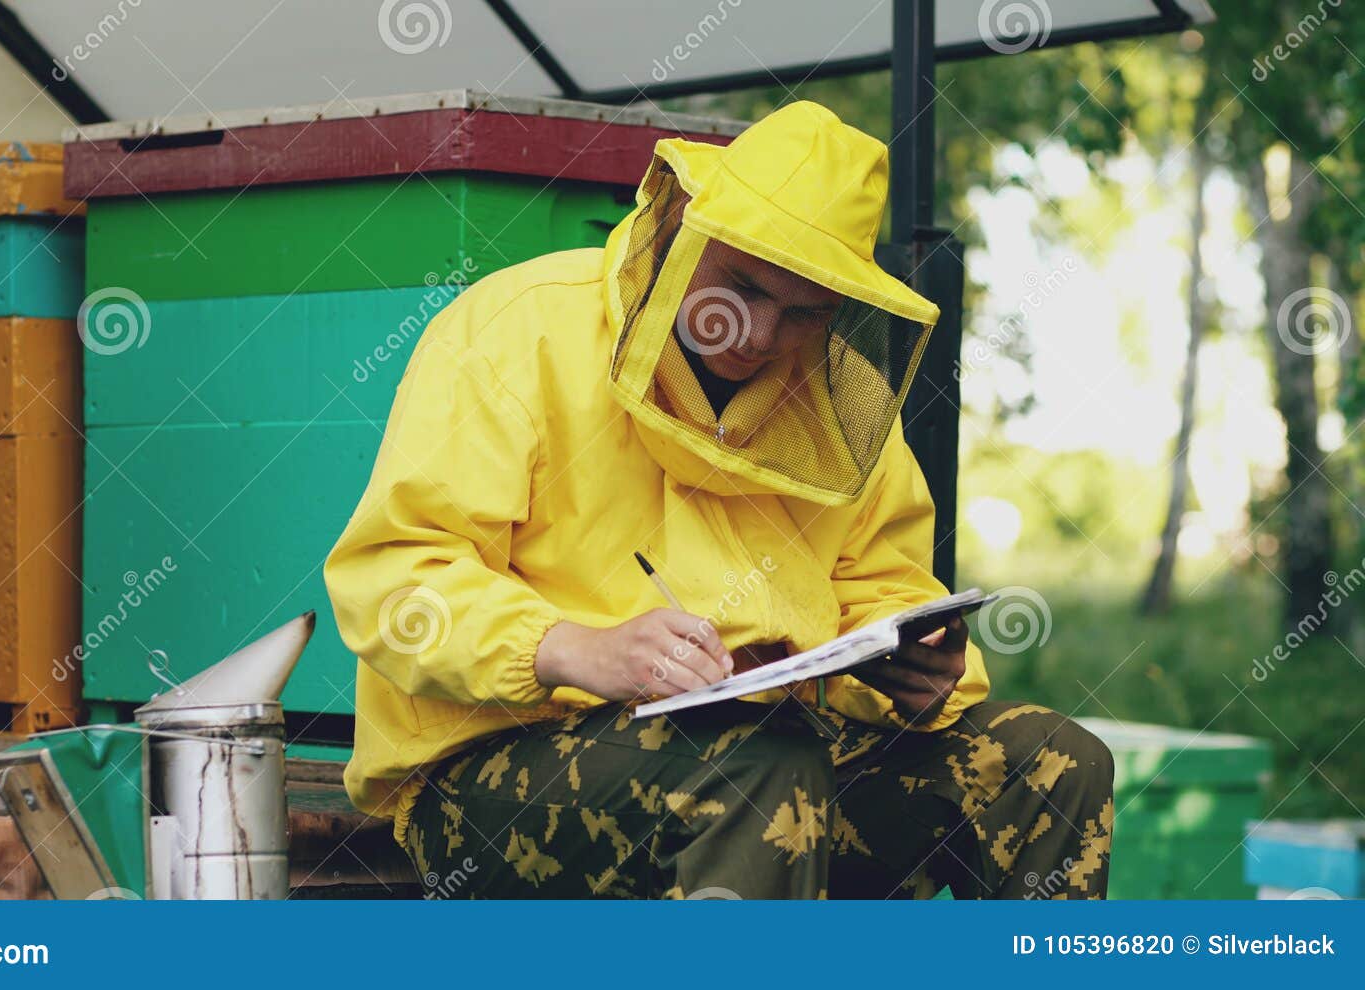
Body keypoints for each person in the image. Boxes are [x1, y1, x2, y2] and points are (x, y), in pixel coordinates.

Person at [324, 101, 1113, 899]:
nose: (761, 336)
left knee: (1053, 763)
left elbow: (882, 582)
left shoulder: (840, 406)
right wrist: (571, 649)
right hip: (491, 781)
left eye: (805, 311)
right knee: (758, 768)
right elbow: (396, 580)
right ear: (682, 228)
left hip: (774, 759)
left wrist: (908, 663)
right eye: (742, 287)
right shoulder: (516, 331)